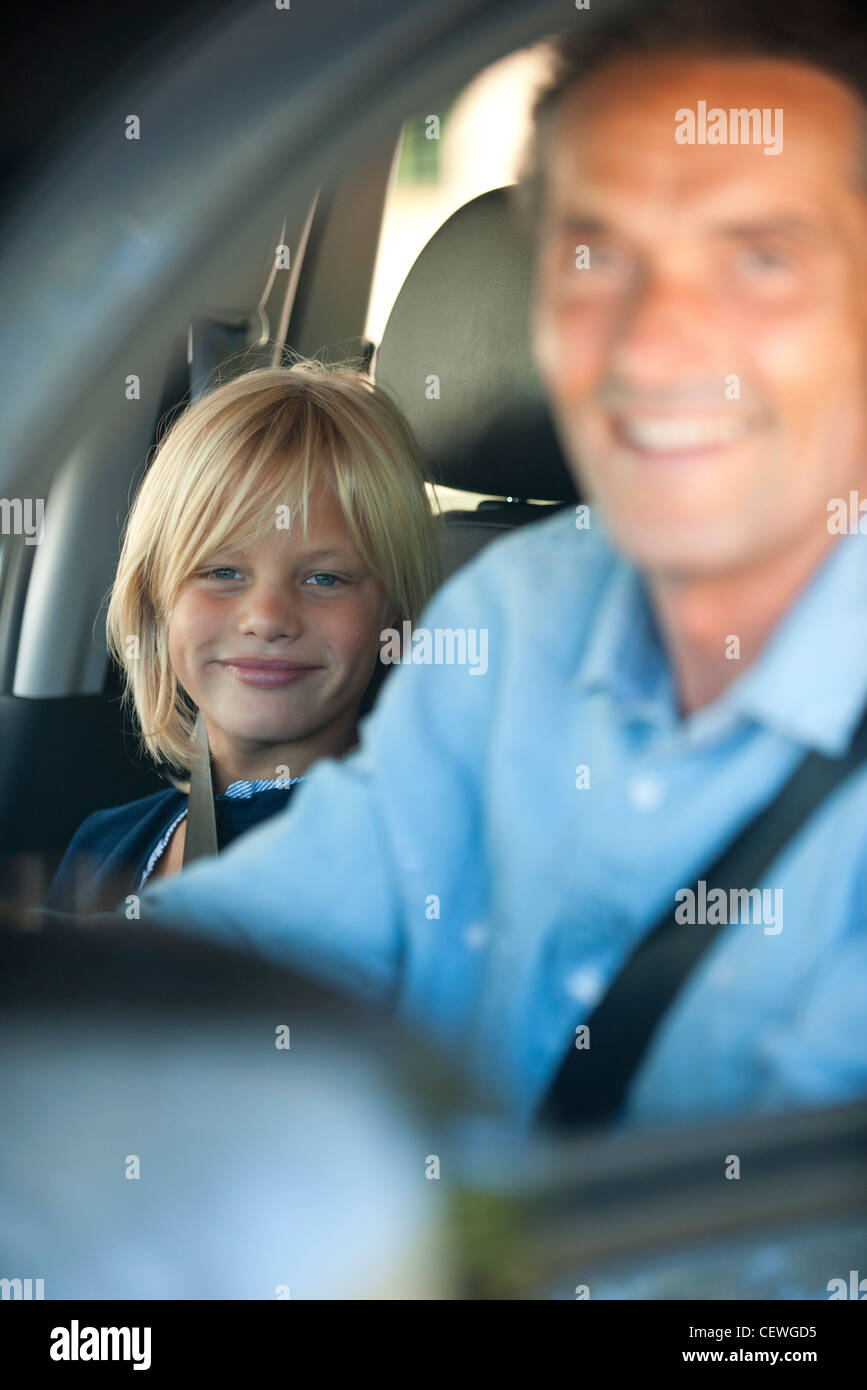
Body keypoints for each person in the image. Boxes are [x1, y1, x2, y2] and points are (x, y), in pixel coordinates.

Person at [139, 0, 867, 1128]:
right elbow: (280, 926)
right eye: (598, 254)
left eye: (759, 255)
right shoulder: (527, 610)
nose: (652, 338)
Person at [45, 359, 439, 914]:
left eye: (325, 578)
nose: (268, 617)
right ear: (156, 596)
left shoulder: (410, 863)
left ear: (392, 616)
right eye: (222, 572)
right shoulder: (106, 845)